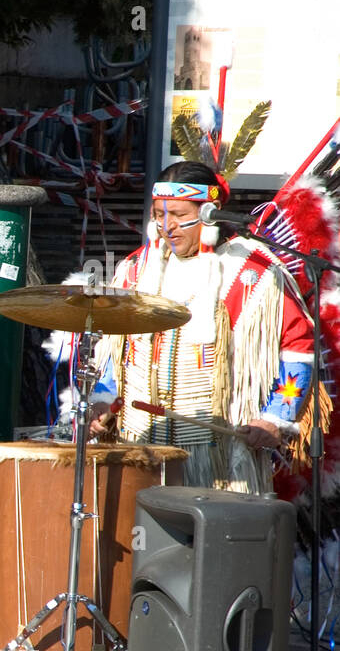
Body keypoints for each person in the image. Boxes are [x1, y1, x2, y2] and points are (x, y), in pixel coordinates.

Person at [89, 160, 325, 491]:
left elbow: (298, 349)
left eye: (179, 215)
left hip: (221, 458)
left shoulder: (253, 273)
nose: (167, 226)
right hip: (138, 448)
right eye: (159, 214)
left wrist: (276, 417)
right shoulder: (135, 269)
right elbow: (120, 349)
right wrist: (104, 397)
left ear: (209, 213)